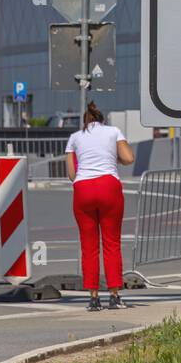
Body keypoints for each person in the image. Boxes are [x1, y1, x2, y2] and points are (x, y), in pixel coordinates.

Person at [65, 101, 135, 310]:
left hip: (83, 188)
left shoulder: (75, 138)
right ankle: (114, 295)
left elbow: (71, 174)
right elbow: (129, 158)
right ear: (102, 120)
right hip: (108, 186)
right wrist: (114, 159)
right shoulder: (113, 132)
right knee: (112, 243)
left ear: (85, 122)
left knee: (89, 245)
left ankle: (93, 298)